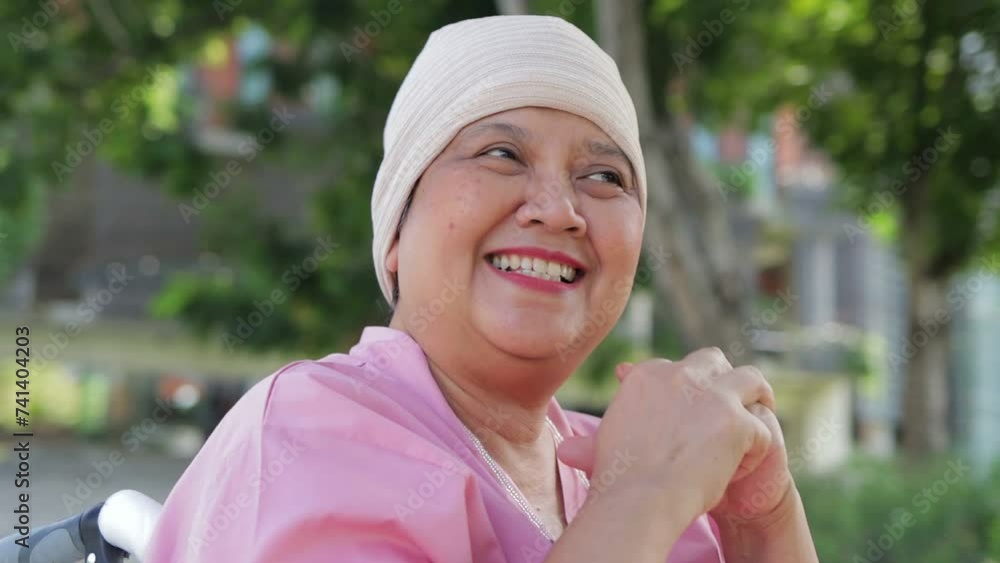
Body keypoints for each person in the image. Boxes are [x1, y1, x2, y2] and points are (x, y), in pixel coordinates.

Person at [147, 15, 819, 563]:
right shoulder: (305, 432)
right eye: (502, 154)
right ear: (397, 232)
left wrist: (761, 518)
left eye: (606, 177)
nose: (558, 209)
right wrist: (646, 492)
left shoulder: (641, 464)